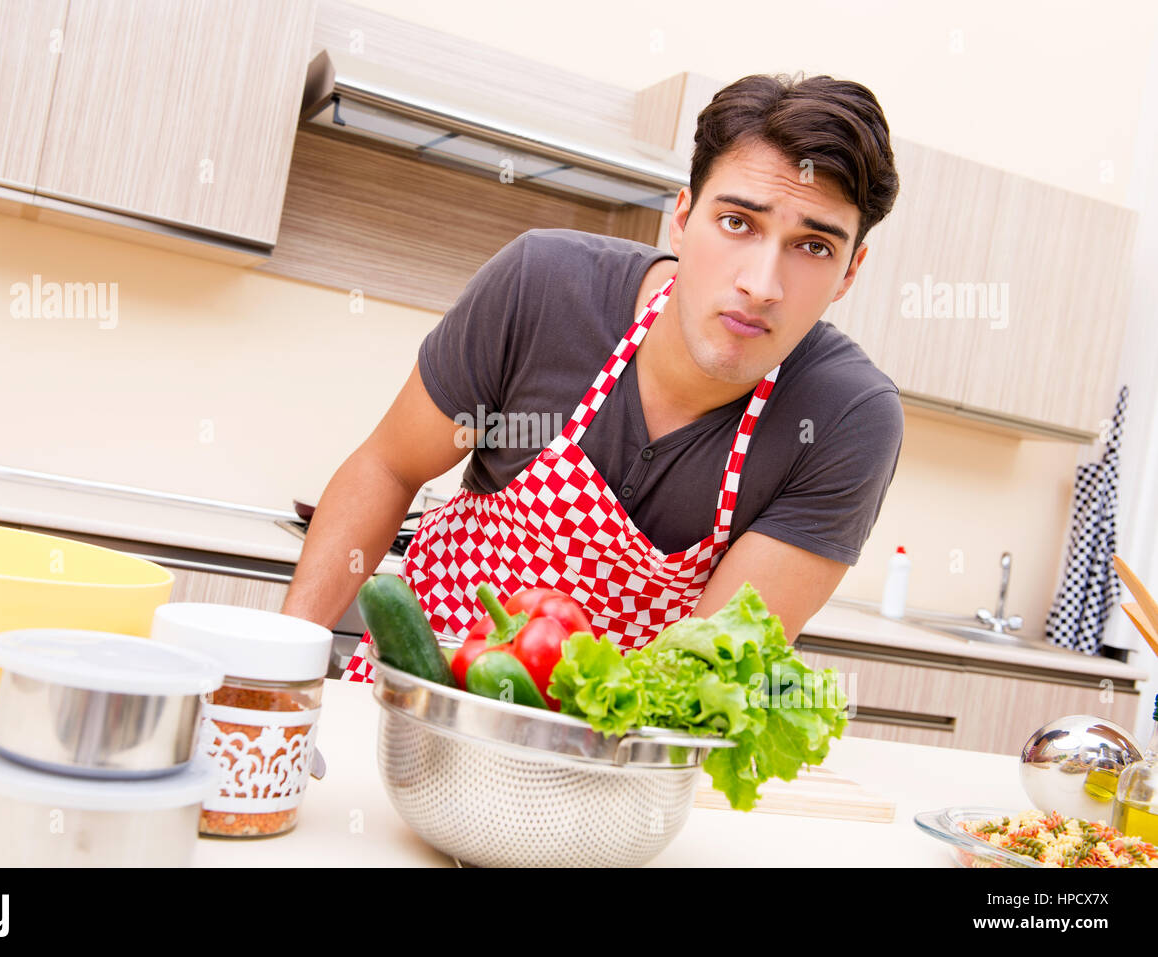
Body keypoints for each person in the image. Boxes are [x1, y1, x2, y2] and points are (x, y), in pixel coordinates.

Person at [282, 72, 904, 681]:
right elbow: (388, 467)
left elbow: (711, 664)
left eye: (814, 246)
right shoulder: (543, 285)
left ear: (851, 271)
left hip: (621, 753)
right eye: (738, 222)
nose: (760, 285)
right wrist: (281, 674)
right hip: (420, 698)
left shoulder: (846, 417)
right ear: (683, 219)